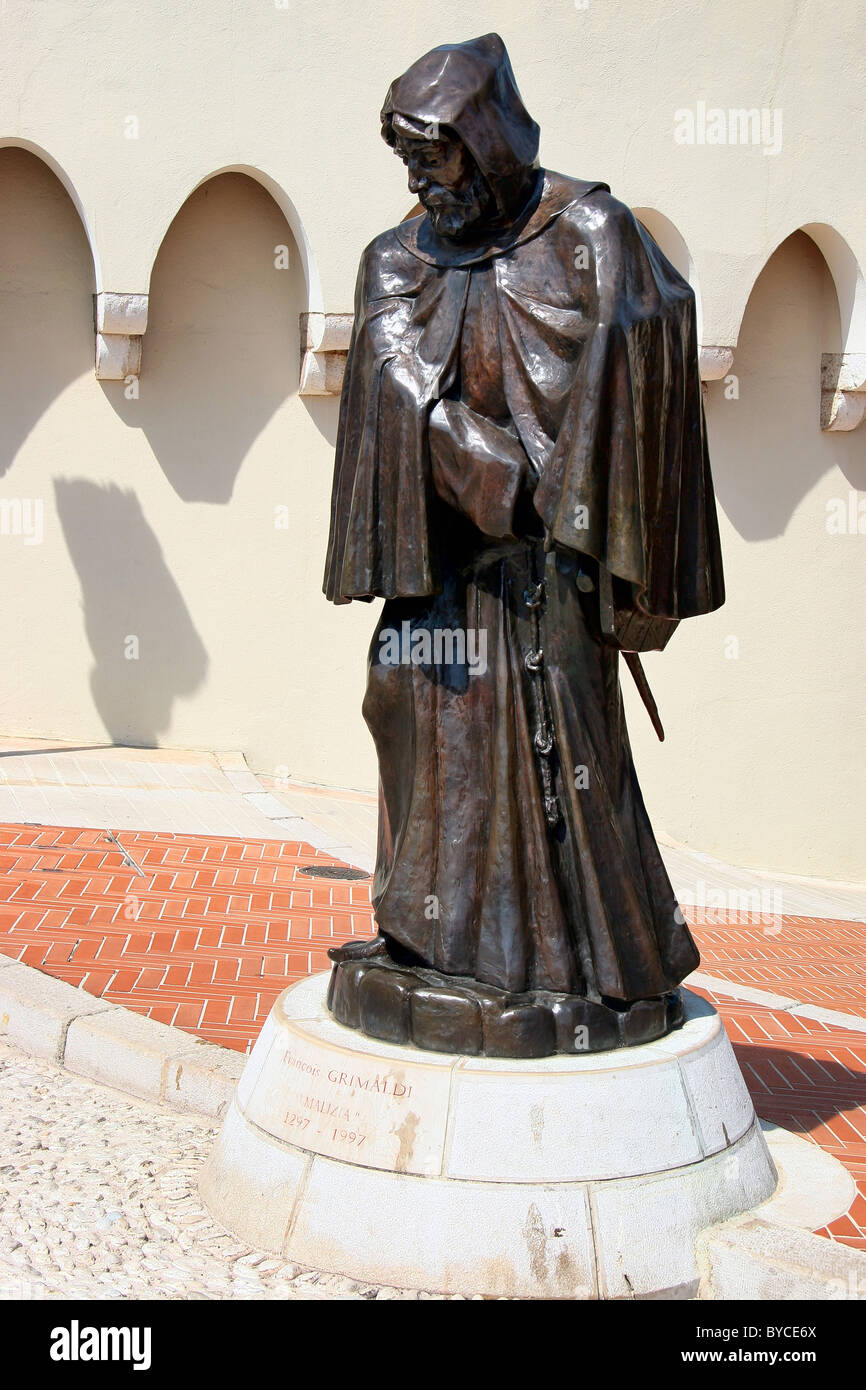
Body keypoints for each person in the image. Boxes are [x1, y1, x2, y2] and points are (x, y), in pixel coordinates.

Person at [323, 33, 725, 1055]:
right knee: (401, 695)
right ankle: (426, 941)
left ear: (486, 140)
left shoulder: (590, 233)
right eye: (407, 163)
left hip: (550, 582)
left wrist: (548, 484)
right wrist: (446, 437)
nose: (420, 183)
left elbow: (640, 373)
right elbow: (382, 389)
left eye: (437, 158)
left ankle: (583, 974)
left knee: (560, 768)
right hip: (440, 578)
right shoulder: (397, 257)